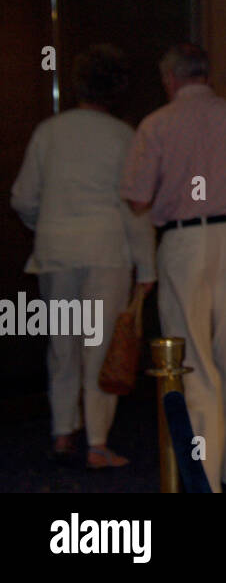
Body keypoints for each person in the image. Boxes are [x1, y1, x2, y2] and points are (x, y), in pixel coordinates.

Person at [120, 42, 226, 492]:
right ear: (205, 74)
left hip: (184, 242)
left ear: (170, 78)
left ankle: (202, 473)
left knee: (191, 362)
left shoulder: (157, 124)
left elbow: (136, 196)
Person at [11, 44, 156, 470]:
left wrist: (46, 222)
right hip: (107, 252)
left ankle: (61, 433)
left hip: (56, 252)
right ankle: (96, 442)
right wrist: (146, 266)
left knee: (63, 347)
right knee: (99, 346)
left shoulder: (48, 132)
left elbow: (23, 198)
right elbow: (135, 209)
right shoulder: (125, 137)